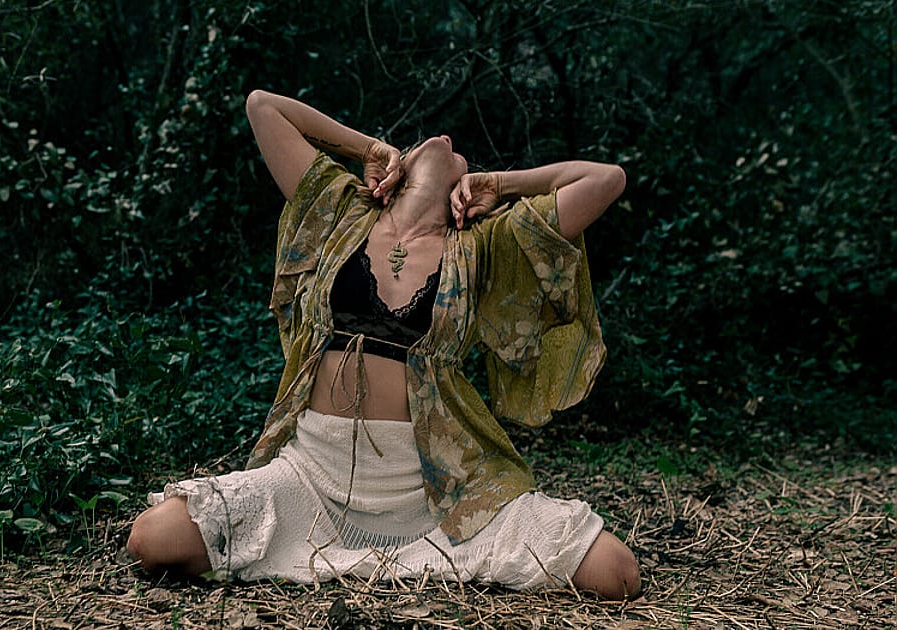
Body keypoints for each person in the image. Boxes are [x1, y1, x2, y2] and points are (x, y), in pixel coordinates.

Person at [127, 90, 640, 599]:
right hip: (313, 475)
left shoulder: (486, 244)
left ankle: (426, 554)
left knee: (615, 571)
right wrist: (366, 148)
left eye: (461, 152)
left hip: (438, 489)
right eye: (422, 141)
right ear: (400, 168)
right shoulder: (340, 209)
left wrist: (500, 184)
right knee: (153, 537)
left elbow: (604, 180)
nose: (444, 139)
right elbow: (264, 106)